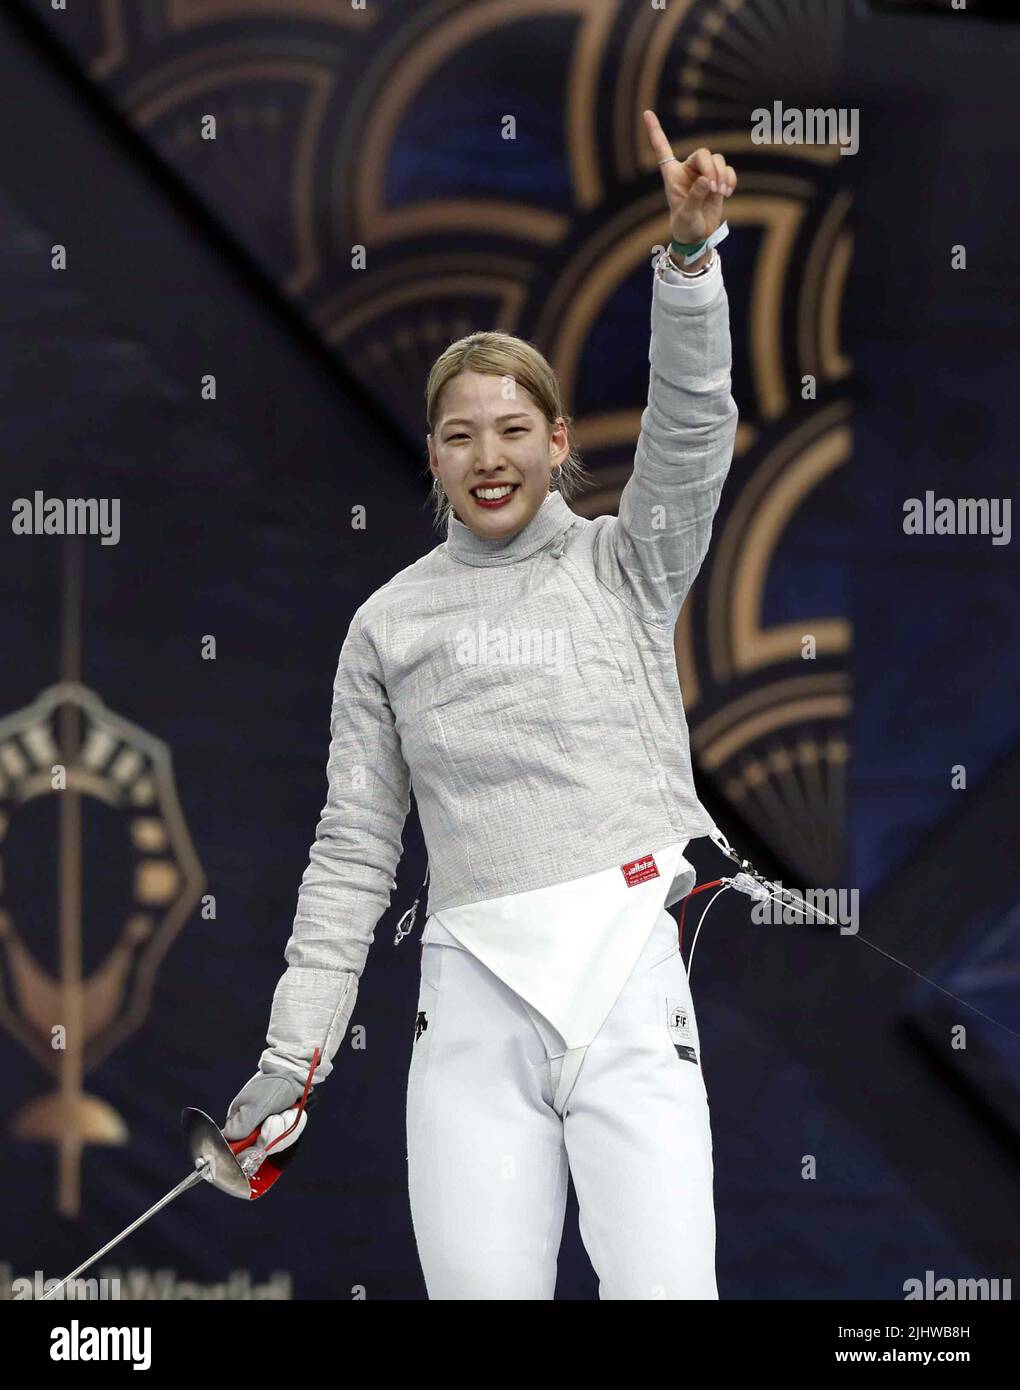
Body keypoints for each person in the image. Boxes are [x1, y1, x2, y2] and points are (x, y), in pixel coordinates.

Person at [225, 109, 739, 1299]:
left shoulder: (627, 564)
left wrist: (693, 262)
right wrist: (290, 1052)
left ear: (559, 442)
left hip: (626, 991)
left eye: (514, 429)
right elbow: (354, 851)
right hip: (469, 1011)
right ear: (436, 458)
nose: (489, 453)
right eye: (462, 435)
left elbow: (695, 433)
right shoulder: (388, 626)